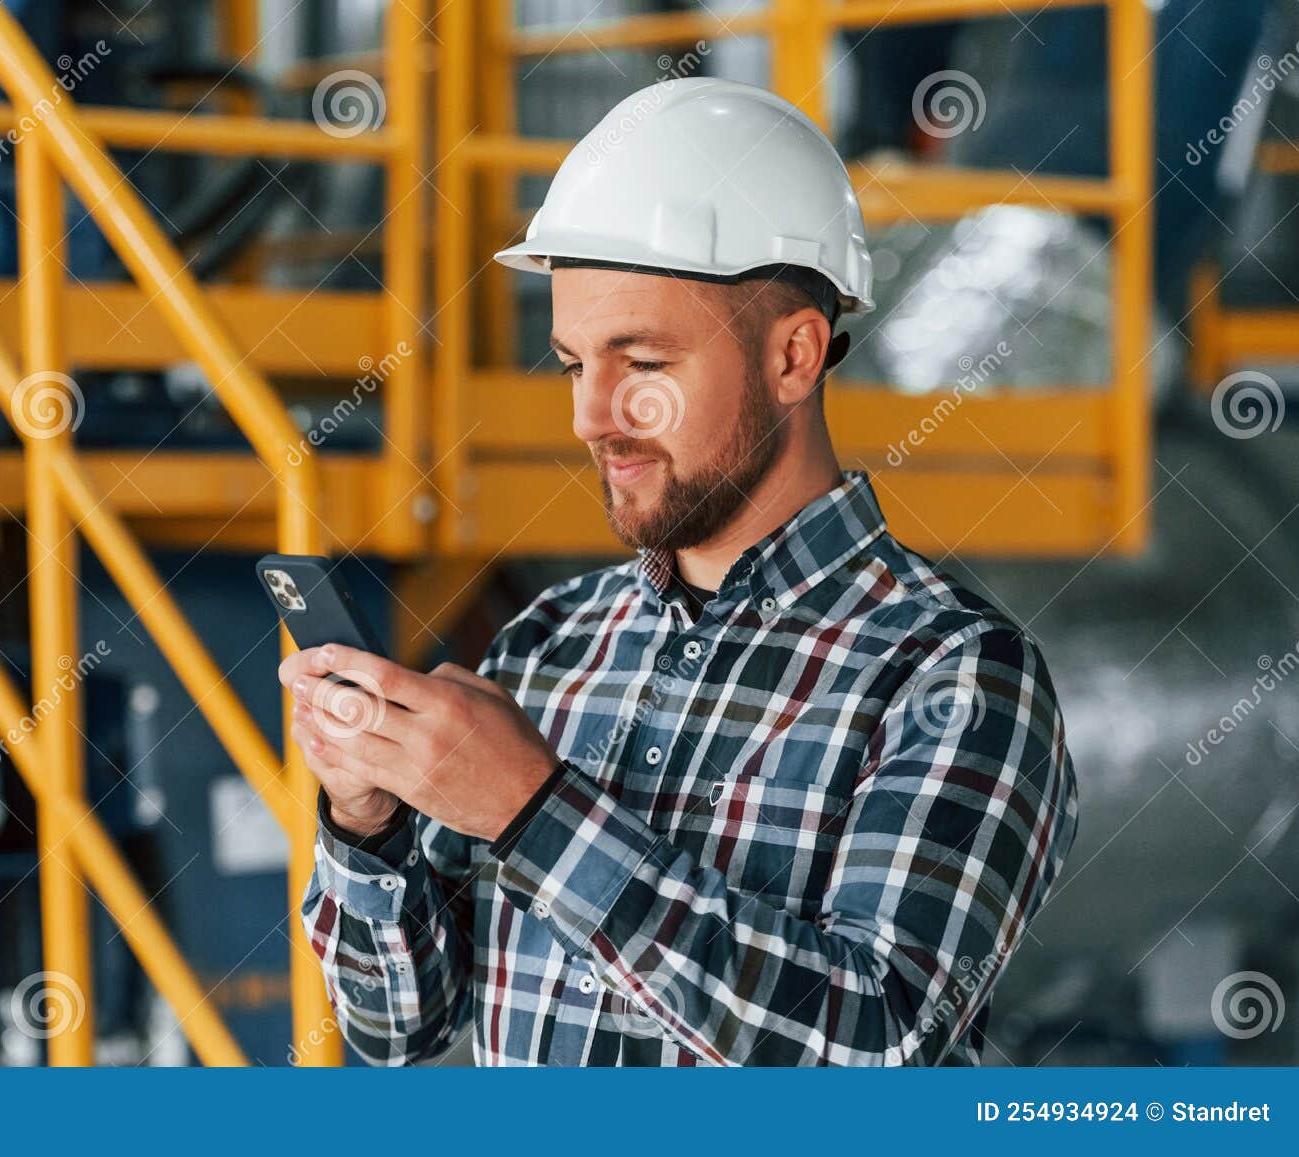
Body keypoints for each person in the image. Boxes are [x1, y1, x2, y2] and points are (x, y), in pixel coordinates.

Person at [281, 77, 1077, 1066]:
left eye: (643, 363)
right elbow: (398, 1026)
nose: (590, 414)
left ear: (794, 356)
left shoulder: (951, 676)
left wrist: (531, 810)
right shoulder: (551, 642)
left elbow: (876, 1047)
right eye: (575, 363)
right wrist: (365, 821)